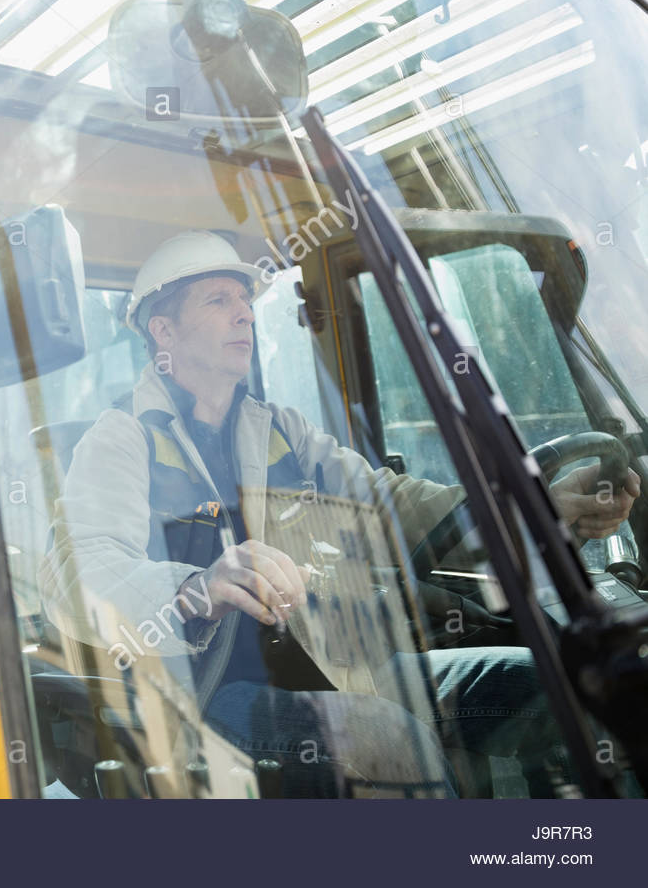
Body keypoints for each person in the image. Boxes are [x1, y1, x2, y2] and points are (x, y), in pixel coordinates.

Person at [40, 230, 640, 797]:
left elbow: (389, 501)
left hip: (335, 665)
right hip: (207, 695)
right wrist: (200, 588)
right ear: (163, 330)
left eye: (244, 299)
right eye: (219, 300)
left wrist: (538, 506)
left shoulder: (281, 428)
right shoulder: (123, 439)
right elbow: (77, 572)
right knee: (383, 736)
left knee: (554, 684)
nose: (244, 313)